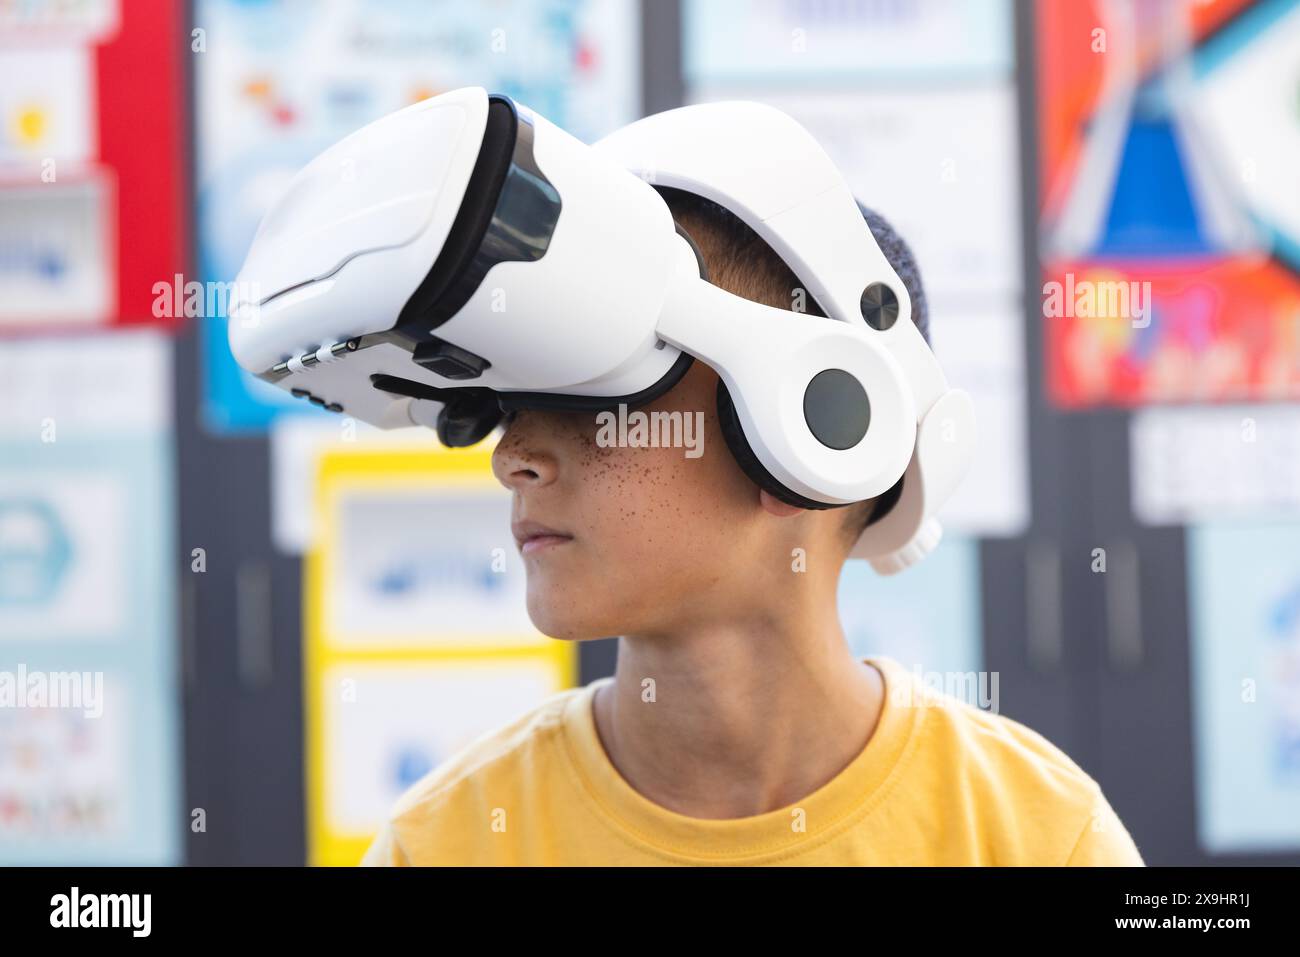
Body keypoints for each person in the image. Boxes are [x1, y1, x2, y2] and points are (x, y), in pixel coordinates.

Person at [360, 187, 1145, 866]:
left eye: (597, 391)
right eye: (516, 398)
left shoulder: (1039, 837)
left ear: (813, 432)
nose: (514, 457)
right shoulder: (443, 843)